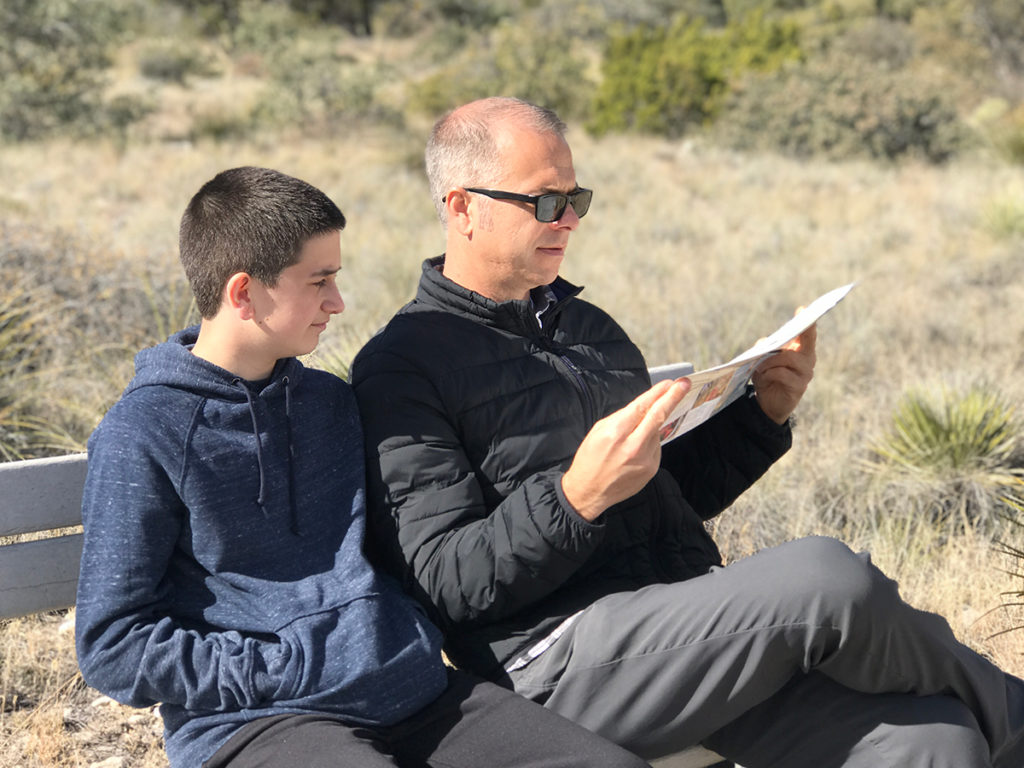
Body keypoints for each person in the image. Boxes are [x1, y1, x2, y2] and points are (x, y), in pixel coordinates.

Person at [349, 97, 1024, 768]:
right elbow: (441, 582)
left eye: (576, 197)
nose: (572, 220)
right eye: (545, 202)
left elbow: (666, 497)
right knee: (828, 578)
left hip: (678, 626)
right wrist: (574, 498)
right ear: (463, 207)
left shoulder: (589, 331)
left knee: (933, 740)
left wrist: (762, 413)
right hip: (551, 663)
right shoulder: (400, 369)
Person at [74, 166, 652, 768]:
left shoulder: (329, 402)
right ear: (243, 292)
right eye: (319, 280)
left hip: (414, 694)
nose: (338, 302)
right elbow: (112, 643)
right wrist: (276, 667)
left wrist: (396, 633)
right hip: (259, 724)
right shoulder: (144, 433)